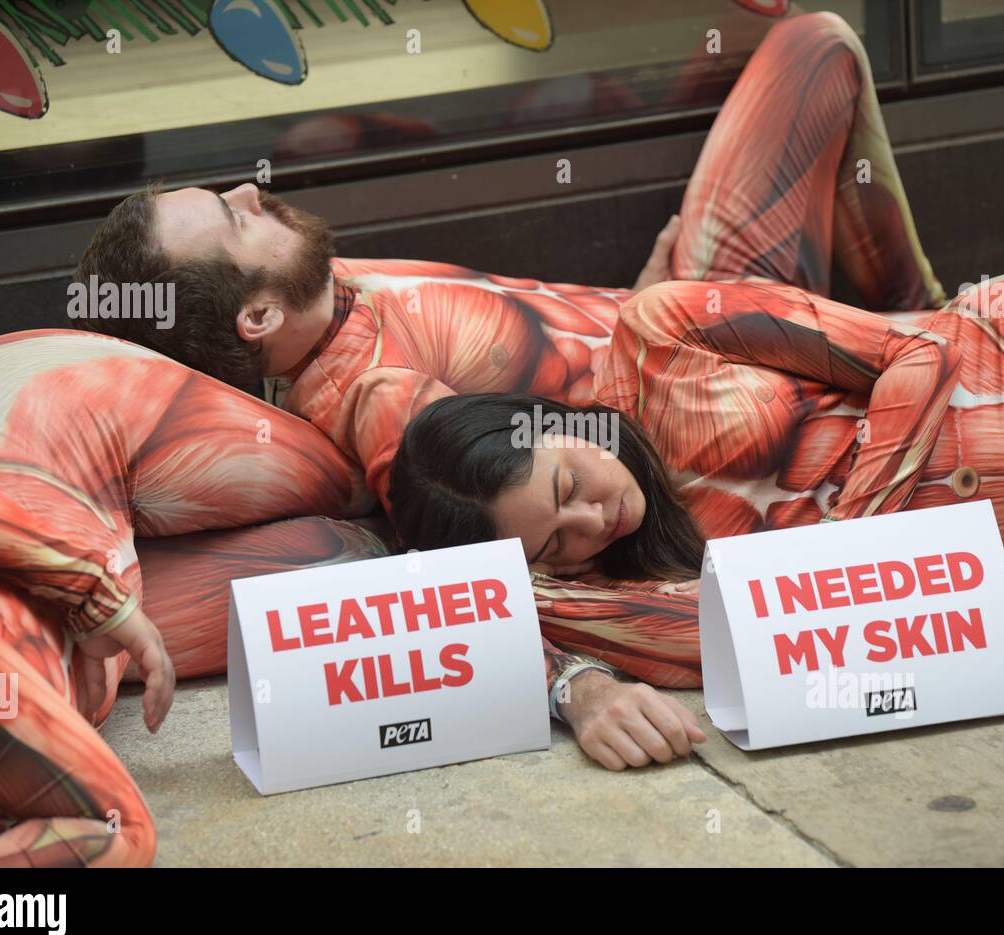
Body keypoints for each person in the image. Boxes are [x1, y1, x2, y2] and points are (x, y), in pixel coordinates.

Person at [71, 12, 944, 743]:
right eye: (232, 218)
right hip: (715, 401)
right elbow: (473, 585)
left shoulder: (315, 292)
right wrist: (581, 689)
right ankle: (921, 337)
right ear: (255, 319)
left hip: (679, 318)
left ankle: (911, 319)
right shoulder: (375, 400)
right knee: (824, 49)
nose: (250, 193)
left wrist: (644, 303)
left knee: (818, 42)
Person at [385, 262, 1004, 769]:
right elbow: (461, 624)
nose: (597, 519)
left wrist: (847, 554)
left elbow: (918, 352)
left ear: (554, 419)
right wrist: (577, 687)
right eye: (557, 543)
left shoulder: (663, 333)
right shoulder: (619, 579)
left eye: (570, 483)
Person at [0, 321, 387, 866]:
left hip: (38, 448)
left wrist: (91, 593)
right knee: (359, 546)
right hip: (34, 576)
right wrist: (92, 593)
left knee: (357, 501)